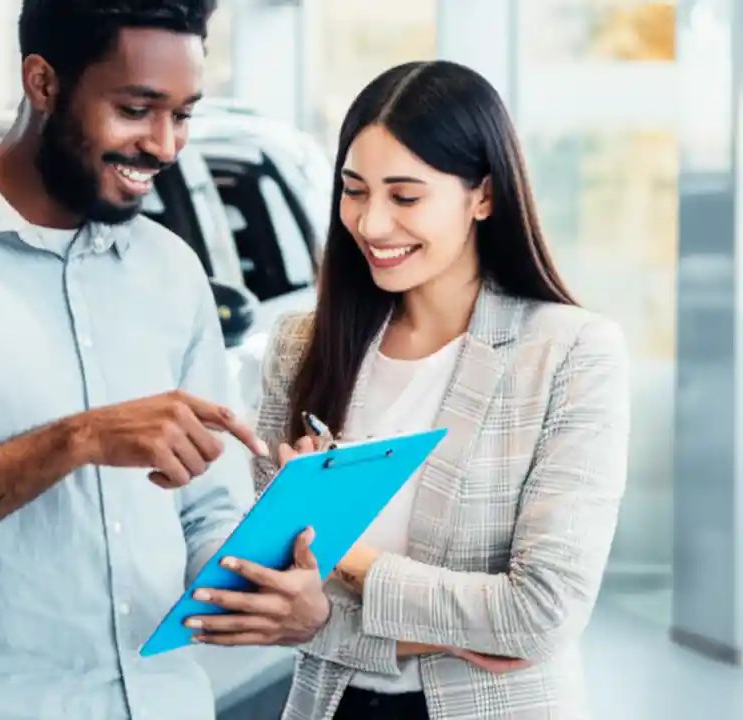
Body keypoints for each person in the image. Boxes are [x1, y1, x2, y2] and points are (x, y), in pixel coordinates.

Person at [0, 1, 329, 718]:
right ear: (43, 82)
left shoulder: (171, 271)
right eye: (137, 109)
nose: (166, 145)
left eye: (183, 115)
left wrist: (284, 595)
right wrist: (74, 440)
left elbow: (206, 510)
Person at [186, 60, 631, 719]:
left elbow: (540, 611)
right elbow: (281, 595)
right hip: (327, 705)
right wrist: (441, 627)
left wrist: (353, 567)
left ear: (482, 195)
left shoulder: (570, 353)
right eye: (354, 190)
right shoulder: (300, 348)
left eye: (404, 195)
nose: (370, 224)